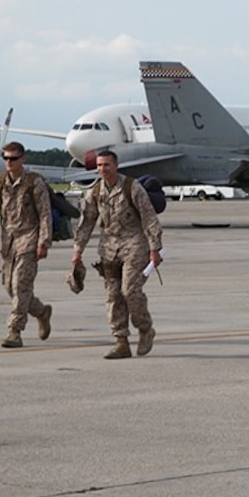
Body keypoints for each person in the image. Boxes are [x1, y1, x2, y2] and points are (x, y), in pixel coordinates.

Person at [72, 150, 163, 359]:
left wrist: (154, 248)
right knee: (113, 295)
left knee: (130, 291)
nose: (102, 169)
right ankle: (121, 341)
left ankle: (145, 328)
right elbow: (86, 222)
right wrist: (77, 251)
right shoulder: (95, 192)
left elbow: (149, 218)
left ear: (116, 165)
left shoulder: (132, 187)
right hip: (109, 248)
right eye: (99, 165)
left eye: (107, 165)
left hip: (134, 245)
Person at [0, 141, 53, 349]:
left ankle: (14, 331)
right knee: (10, 287)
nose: (9, 162)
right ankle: (40, 311)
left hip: (30, 237)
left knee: (21, 285)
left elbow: (45, 214)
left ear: (23, 159)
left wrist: (44, 242)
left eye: (13, 158)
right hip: (8, 240)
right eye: (6, 158)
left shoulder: (34, 182)